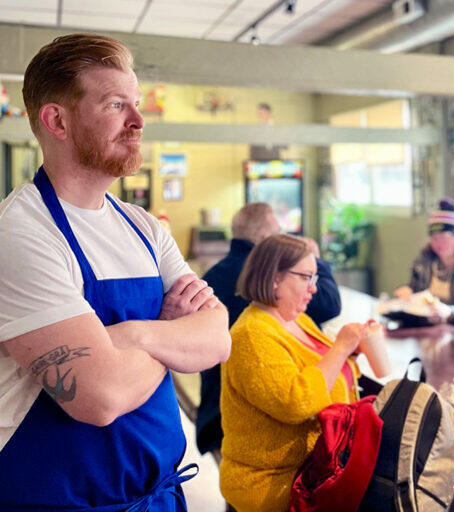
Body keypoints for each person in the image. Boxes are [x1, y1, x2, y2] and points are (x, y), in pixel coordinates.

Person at [0, 34, 231, 510]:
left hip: (161, 495)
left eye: (138, 104)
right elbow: (98, 396)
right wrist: (170, 332)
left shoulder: (143, 226)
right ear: (57, 120)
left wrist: (129, 338)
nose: (139, 122)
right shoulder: (21, 233)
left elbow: (217, 337)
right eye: (115, 105)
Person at [219, 234, 367, 511]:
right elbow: (296, 401)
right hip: (274, 486)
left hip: (316, 471)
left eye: (315, 278)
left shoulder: (298, 319)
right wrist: (341, 349)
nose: (313, 289)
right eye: (306, 277)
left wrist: (347, 354)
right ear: (274, 278)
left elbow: (322, 371)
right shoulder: (252, 334)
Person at [196, 202, 340, 456]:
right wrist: (313, 259)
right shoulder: (279, 288)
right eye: (279, 233)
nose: (310, 287)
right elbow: (329, 305)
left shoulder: (211, 277)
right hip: (254, 428)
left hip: (214, 409)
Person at [394, 198, 454, 329]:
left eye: (444, 237)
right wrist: (408, 291)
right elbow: (415, 290)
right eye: (434, 238)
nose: (438, 243)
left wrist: (450, 312)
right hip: (426, 329)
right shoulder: (425, 260)